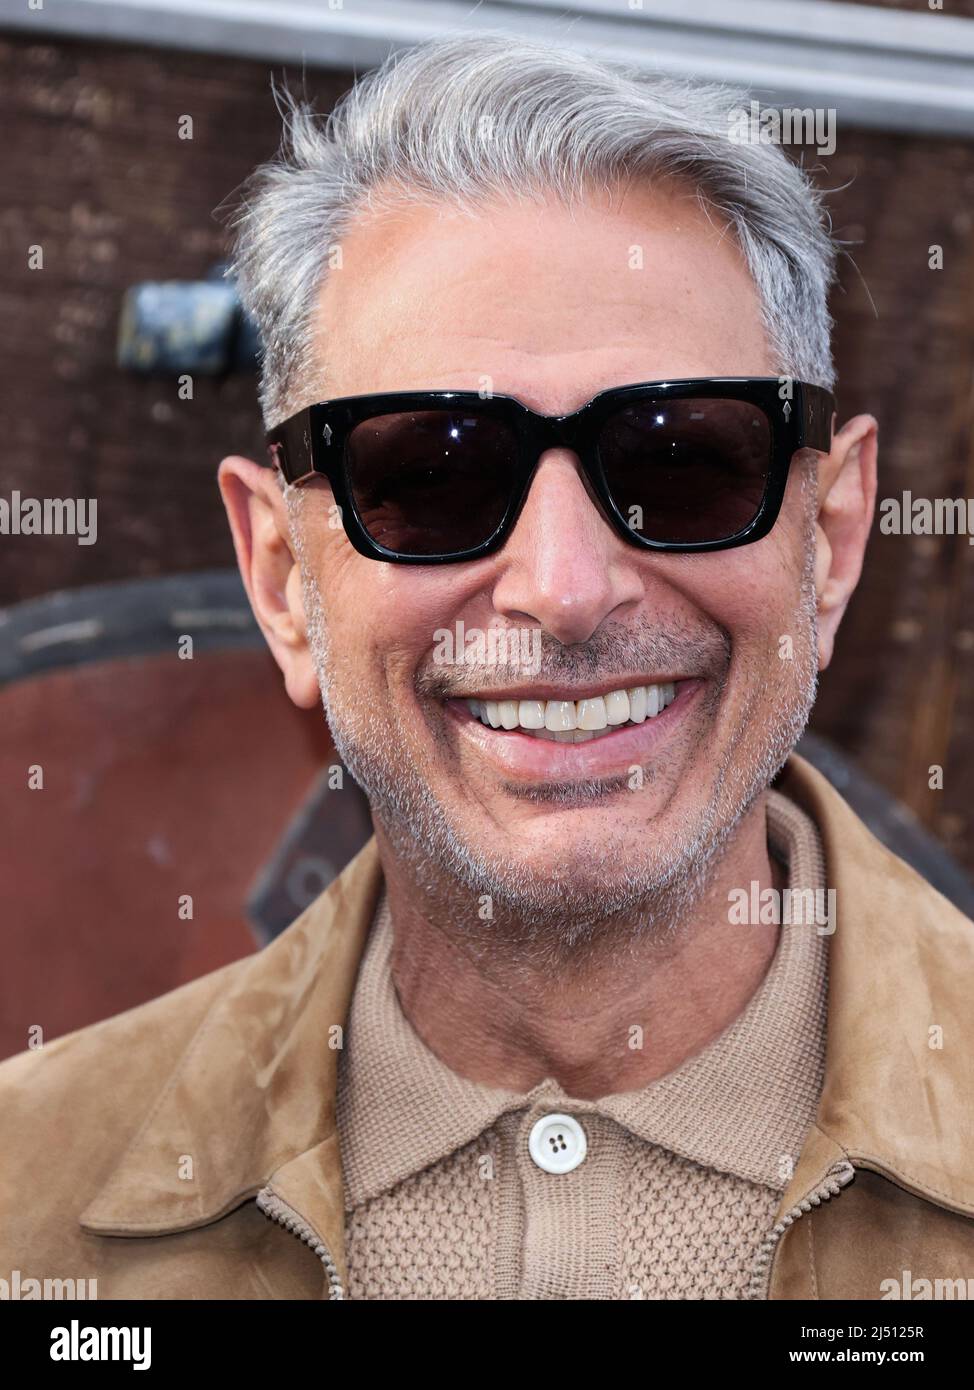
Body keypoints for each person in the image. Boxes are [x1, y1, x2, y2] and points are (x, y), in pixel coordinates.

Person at [2, 31, 972, 1302]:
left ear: (831, 541)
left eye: (681, 460)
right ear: (283, 581)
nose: (564, 591)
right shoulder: (29, 1195)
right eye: (430, 473)